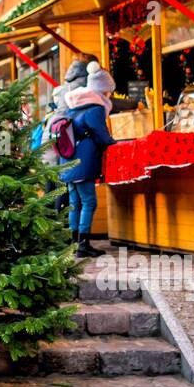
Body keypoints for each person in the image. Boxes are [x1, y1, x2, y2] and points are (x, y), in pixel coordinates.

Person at [58, 61, 117, 258]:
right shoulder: (95, 107)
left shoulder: (75, 105)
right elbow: (100, 133)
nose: (109, 95)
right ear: (102, 89)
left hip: (68, 160)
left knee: (75, 202)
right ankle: (83, 244)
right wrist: (111, 142)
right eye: (108, 91)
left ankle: (74, 243)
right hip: (84, 160)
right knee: (89, 201)